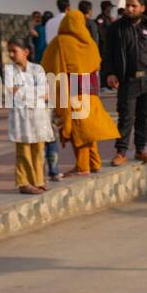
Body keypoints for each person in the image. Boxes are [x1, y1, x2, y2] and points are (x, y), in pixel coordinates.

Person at [44, 10, 121, 177]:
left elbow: (48, 65)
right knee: (88, 130)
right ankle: (95, 162)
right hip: (90, 91)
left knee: (77, 131)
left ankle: (82, 166)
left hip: (72, 92)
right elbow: (97, 65)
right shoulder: (90, 43)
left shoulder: (60, 42)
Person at [102, 0, 147, 165]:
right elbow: (107, 52)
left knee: (144, 116)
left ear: (142, 8)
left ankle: (140, 149)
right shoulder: (116, 28)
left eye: (134, 6)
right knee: (126, 117)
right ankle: (121, 151)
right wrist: (109, 73)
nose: (130, 9)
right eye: (128, 5)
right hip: (128, 80)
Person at [3, 38, 54, 195]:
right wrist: (33, 93)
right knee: (23, 151)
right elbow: (12, 93)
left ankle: (38, 180)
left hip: (39, 115)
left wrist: (24, 92)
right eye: (9, 51)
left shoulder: (37, 69)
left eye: (14, 51)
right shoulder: (9, 71)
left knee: (38, 149)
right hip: (21, 117)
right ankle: (24, 183)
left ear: (26, 52)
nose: (11, 54)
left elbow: (46, 93)